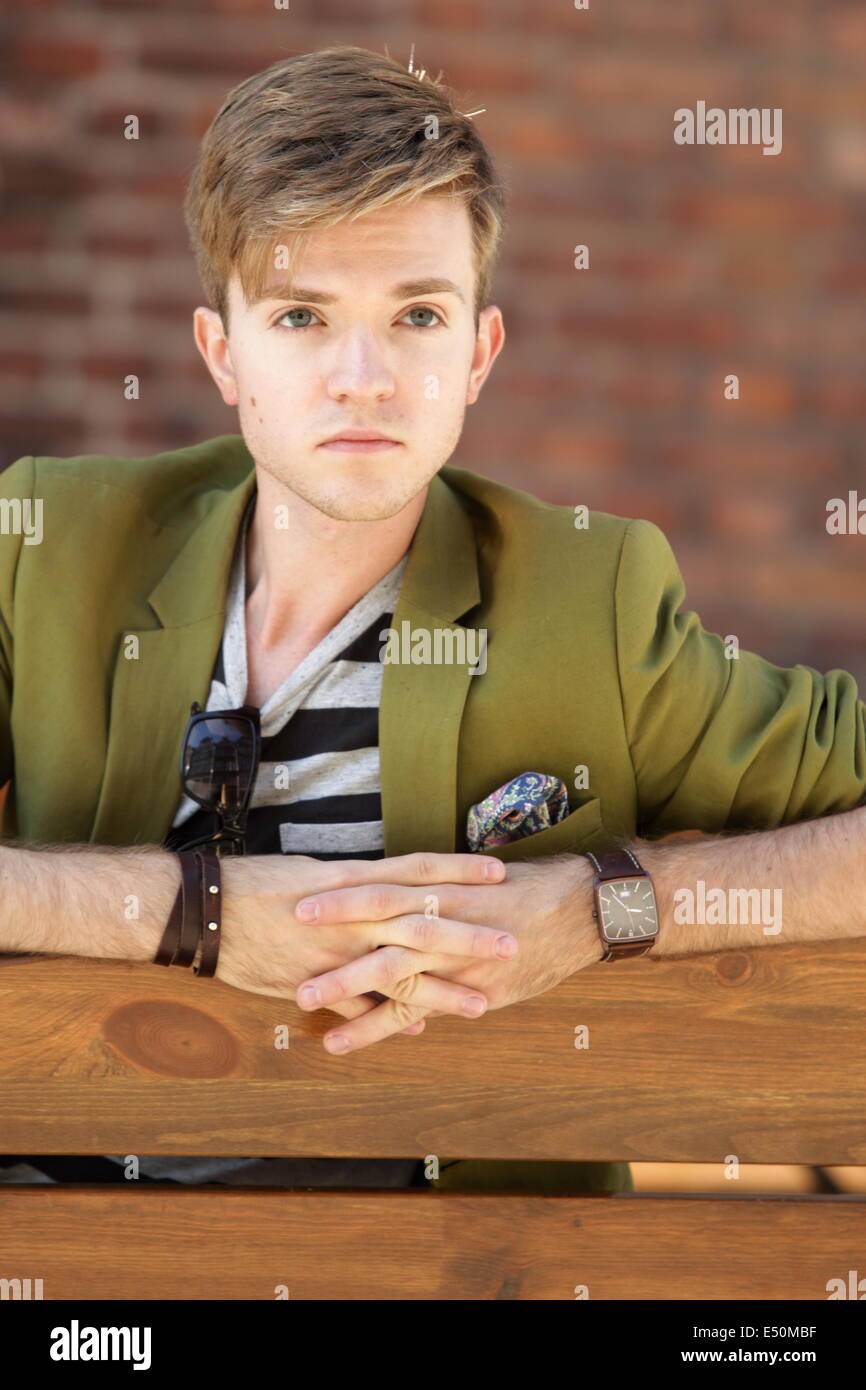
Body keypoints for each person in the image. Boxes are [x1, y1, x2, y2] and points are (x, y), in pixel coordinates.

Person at [1, 45, 865, 1197]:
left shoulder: (587, 598)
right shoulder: (47, 545)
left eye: (415, 315)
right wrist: (193, 910)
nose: (362, 376)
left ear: (476, 354)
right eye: (302, 316)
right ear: (223, 353)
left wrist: (605, 902)